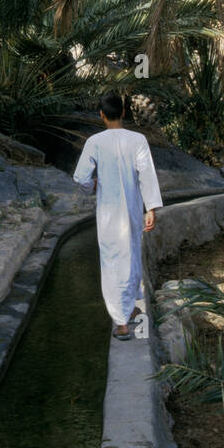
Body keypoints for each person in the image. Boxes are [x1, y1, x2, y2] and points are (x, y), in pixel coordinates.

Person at [72, 92, 162, 340]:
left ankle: (121, 322)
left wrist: (93, 185)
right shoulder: (138, 139)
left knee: (112, 262)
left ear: (101, 115)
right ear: (123, 112)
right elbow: (147, 174)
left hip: (109, 214)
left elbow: (80, 177)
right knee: (132, 255)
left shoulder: (95, 142)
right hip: (133, 210)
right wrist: (150, 208)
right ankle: (129, 308)